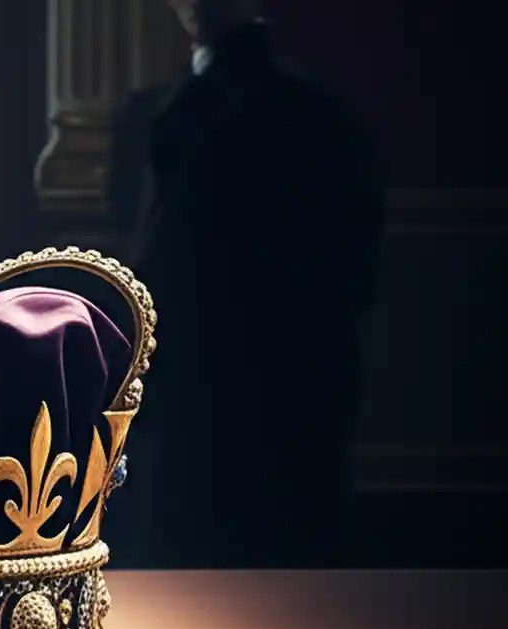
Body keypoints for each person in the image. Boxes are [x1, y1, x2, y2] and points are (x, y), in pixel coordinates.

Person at [108, 0, 383, 567]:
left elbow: (351, 271)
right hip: (209, 386)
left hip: (266, 387)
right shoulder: (157, 111)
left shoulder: (310, 116)